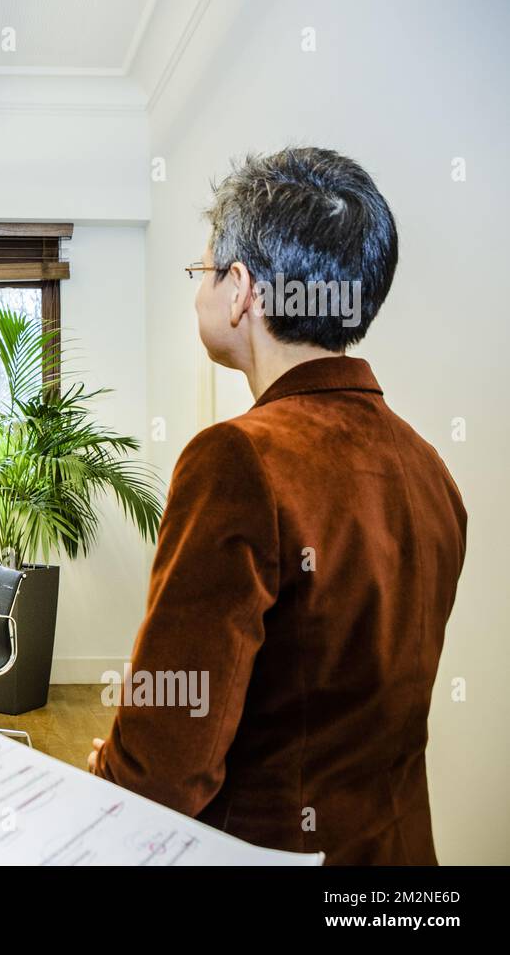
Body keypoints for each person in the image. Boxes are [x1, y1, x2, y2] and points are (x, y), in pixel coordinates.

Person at [88, 147, 467, 864]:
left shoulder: (237, 459)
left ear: (240, 289)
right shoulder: (429, 468)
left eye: (203, 271)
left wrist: (110, 776)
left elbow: (169, 764)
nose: (199, 288)